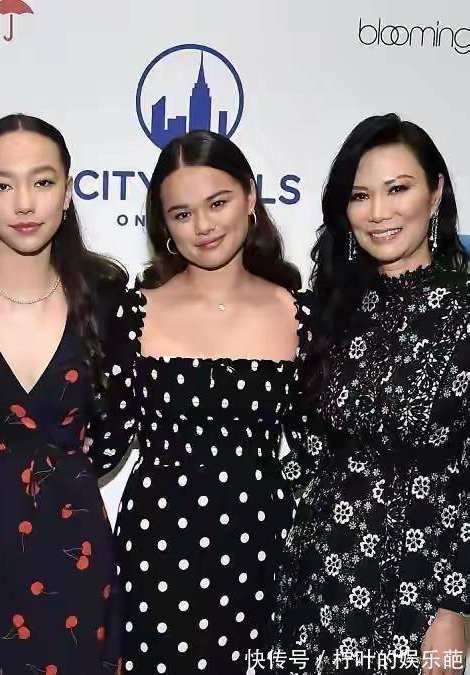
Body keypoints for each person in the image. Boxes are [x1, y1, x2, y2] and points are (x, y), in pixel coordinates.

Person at [88, 130, 306, 674]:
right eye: (182, 214)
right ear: (164, 226)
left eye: (218, 203)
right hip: (158, 547)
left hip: (264, 547)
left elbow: (317, 452)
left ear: (250, 197)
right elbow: (100, 445)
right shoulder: (134, 313)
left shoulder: (299, 313)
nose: (203, 226)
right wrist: (1, 473)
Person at [0, 114, 124, 674]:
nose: (25, 203)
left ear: (68, 191)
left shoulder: (107, 295)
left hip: (75, 538)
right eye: (3, 185)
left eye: (43, 181)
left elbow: (116, 427)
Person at [273, 114, 469, 674]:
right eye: (360, 196)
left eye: (398, 189)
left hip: (420, 583)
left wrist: (456, 606)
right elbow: (306, 453)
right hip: (315, 576)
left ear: (436, 194)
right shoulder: (329, 310)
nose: (379, 212)